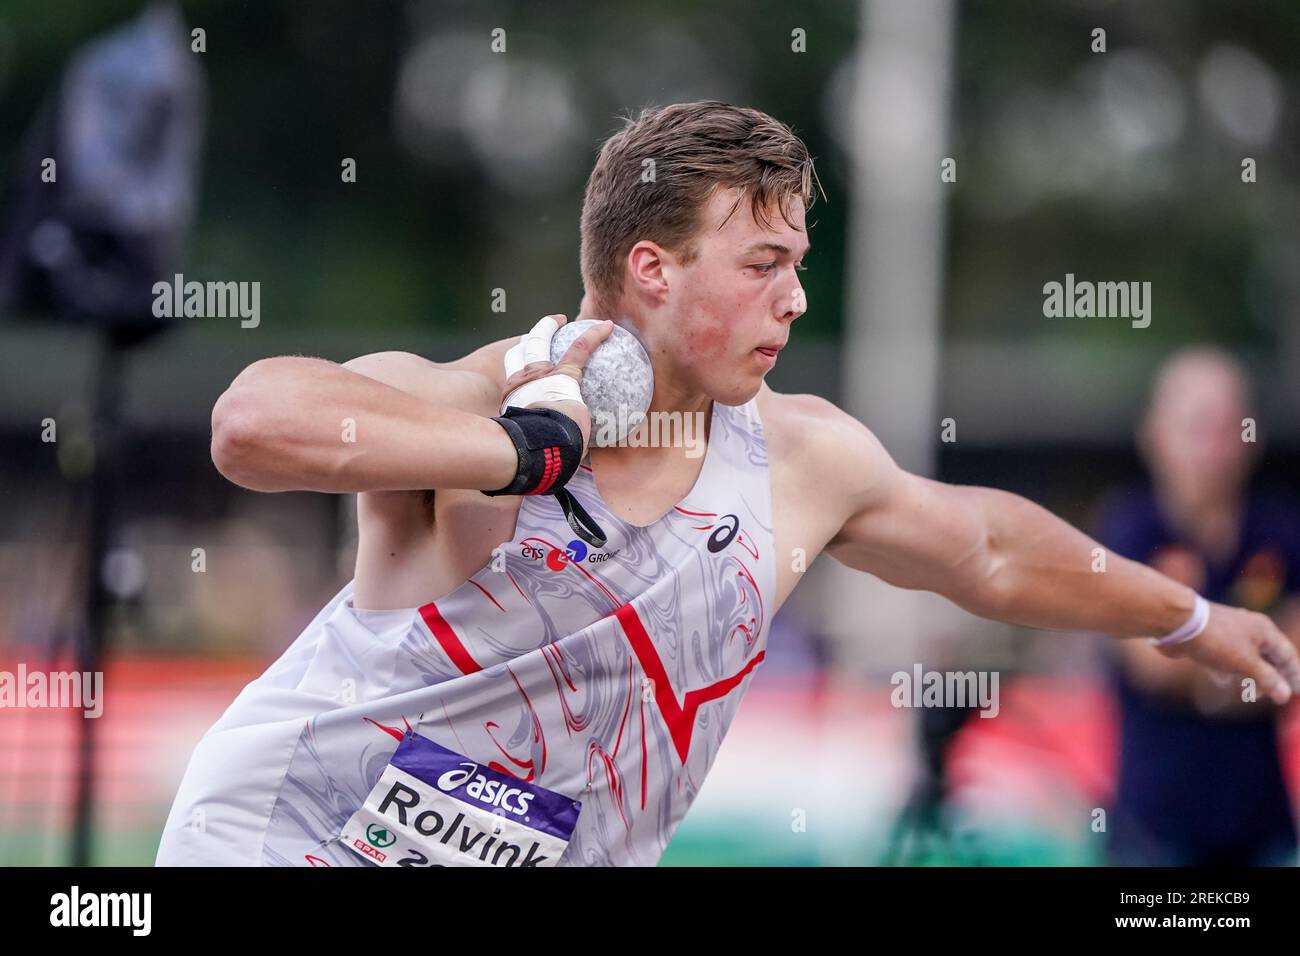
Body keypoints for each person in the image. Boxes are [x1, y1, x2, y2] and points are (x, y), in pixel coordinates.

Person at [156, 101, 1300, 867]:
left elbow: (986, 548)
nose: (794, 299)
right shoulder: (482, 392)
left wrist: (1189, 614)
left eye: (796, 266)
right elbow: (254, 422)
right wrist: (521, 452)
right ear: (648, 269)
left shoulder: (798, 460)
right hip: (283, 837)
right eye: (762, 265)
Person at [1099, 348, 1300, 866]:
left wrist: (1197, 657)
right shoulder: (1127, 530)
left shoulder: (1280, 530)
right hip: (1153, 829)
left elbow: (1293, 663)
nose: (1213, 447)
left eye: (1228, 426)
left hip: (1260, 825)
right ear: (1155, 433)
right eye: (1196, 426)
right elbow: (1148, 665)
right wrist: (1249, 669)